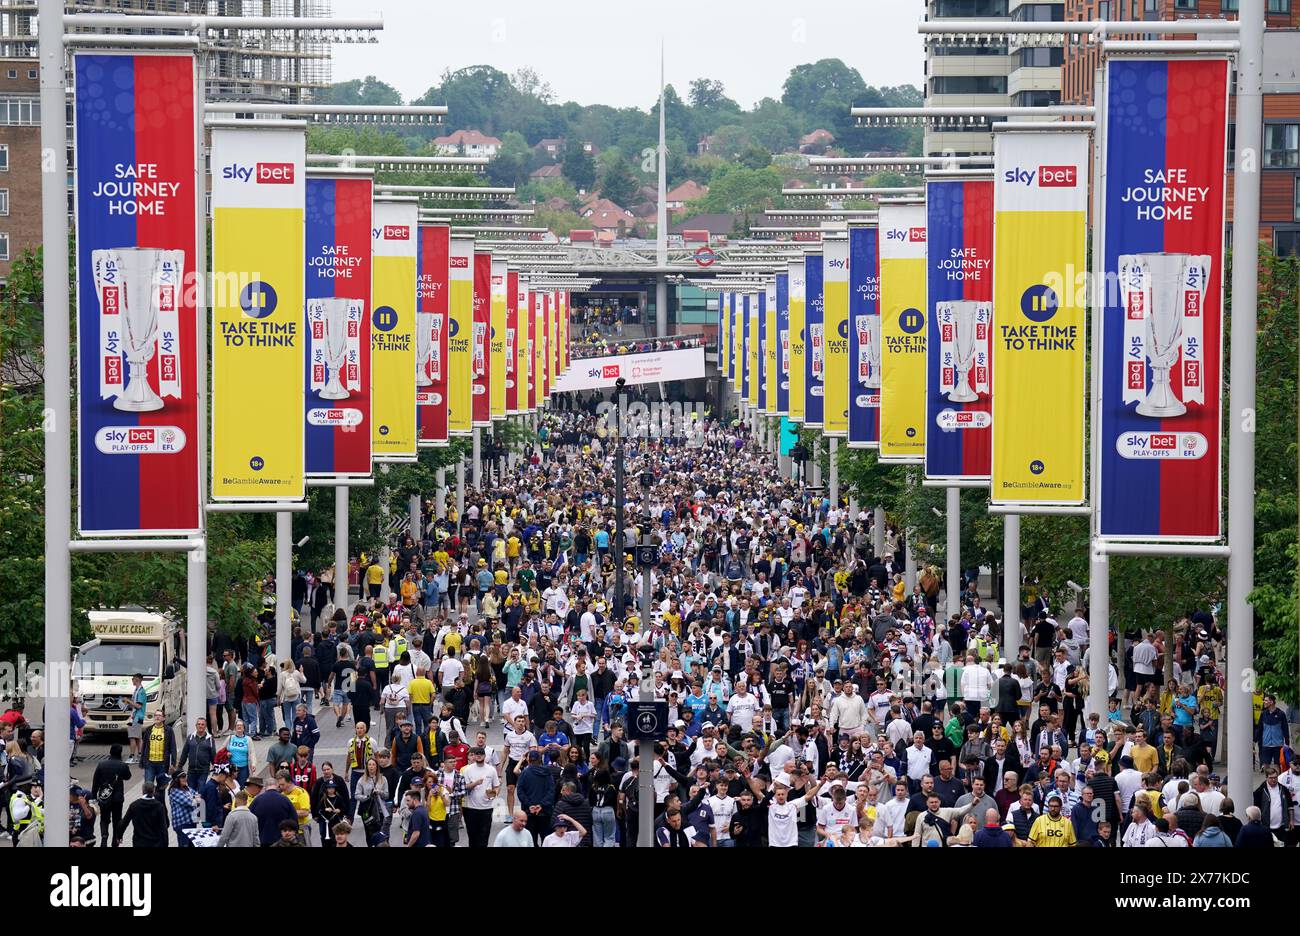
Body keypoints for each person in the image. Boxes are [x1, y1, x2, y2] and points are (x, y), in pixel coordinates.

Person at [90, 743, 132, 848]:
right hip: (118, 798)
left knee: (104, 819)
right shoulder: (122, 765)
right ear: (120, 753)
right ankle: (115, 841)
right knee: (117, 820)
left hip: (105, 797)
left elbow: (95, 782)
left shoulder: (101, 764)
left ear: (110, 752)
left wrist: (93, 796)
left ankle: (104, 837)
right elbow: (128, 777)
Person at [114, 782, 168, 848]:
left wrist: (119, 835)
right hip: (155, 842)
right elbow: (163, 827)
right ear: (154, 791)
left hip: (139, 842)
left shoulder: (134, 805)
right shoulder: (159, 806)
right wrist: (165, 843)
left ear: (142, 791)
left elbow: (124, 822)